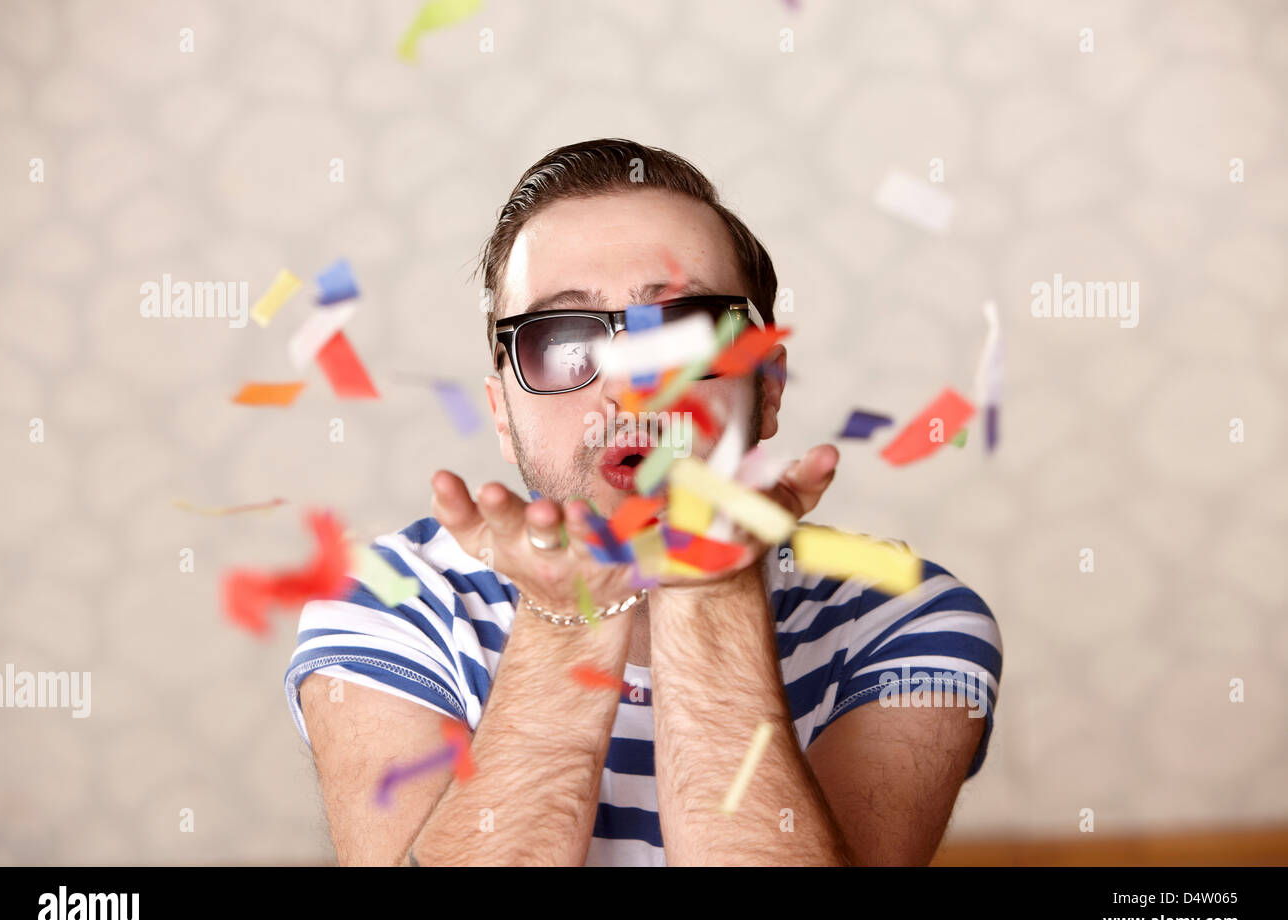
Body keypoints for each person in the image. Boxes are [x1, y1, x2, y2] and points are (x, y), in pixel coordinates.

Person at [284, 138, 1002, 866]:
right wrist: (566, 622)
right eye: (563, 343)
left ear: (768, 387)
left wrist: (712, 591)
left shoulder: (905, 619)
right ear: (503, 415)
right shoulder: (388, 601)